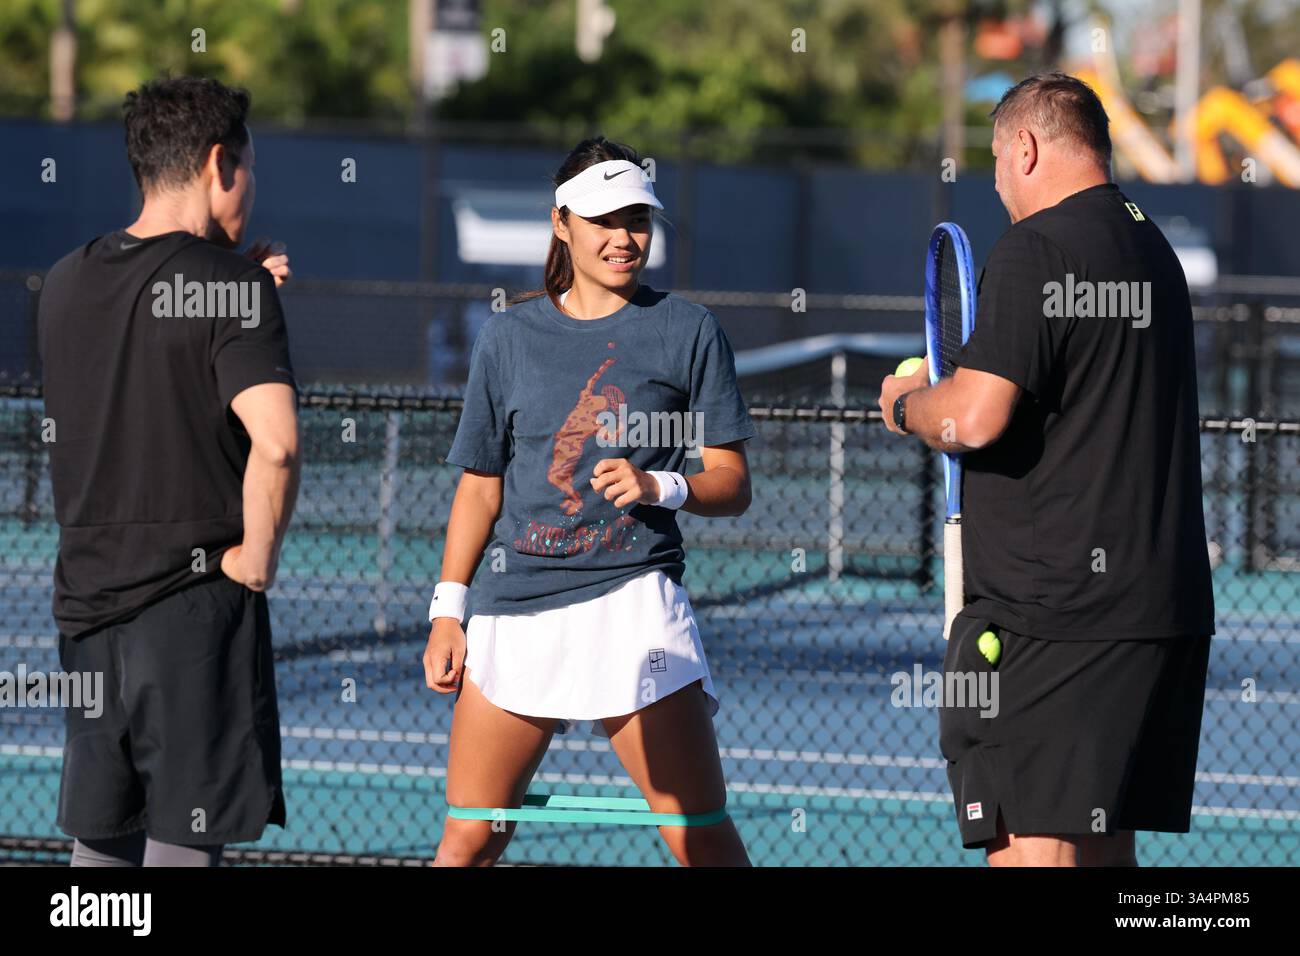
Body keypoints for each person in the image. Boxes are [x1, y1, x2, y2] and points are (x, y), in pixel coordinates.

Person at [877, 73, 1214, 866]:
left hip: (1054, 616)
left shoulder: (1036, 247)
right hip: (1157, 611)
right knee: (1102, 851)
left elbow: (975, 414)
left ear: (1025, 147)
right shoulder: (1150, 246)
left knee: (1032, 848)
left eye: (996, 161)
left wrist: (905, 403)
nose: (996, 184)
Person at [423, 136, 755, 867]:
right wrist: (448, 611)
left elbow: (732, 481)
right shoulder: (506, 337)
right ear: (562, 224)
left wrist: (660, 486)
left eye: (637, 219)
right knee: (470, 836)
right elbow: (481, 485)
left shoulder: (689, 331)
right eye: (604, 219)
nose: (623, 237)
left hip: (633, 607)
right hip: (514, 611)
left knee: (700, 840)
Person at [38, 75, 299, 867]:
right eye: (250, 168)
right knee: (184, 842)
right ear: (221, 162)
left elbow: (147, 366)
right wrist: (255, 559)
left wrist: (238, 287)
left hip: (86, 610)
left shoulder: (63, 282)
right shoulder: (233, 288)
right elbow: (277, 442)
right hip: (190, 612)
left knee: (103, 845)